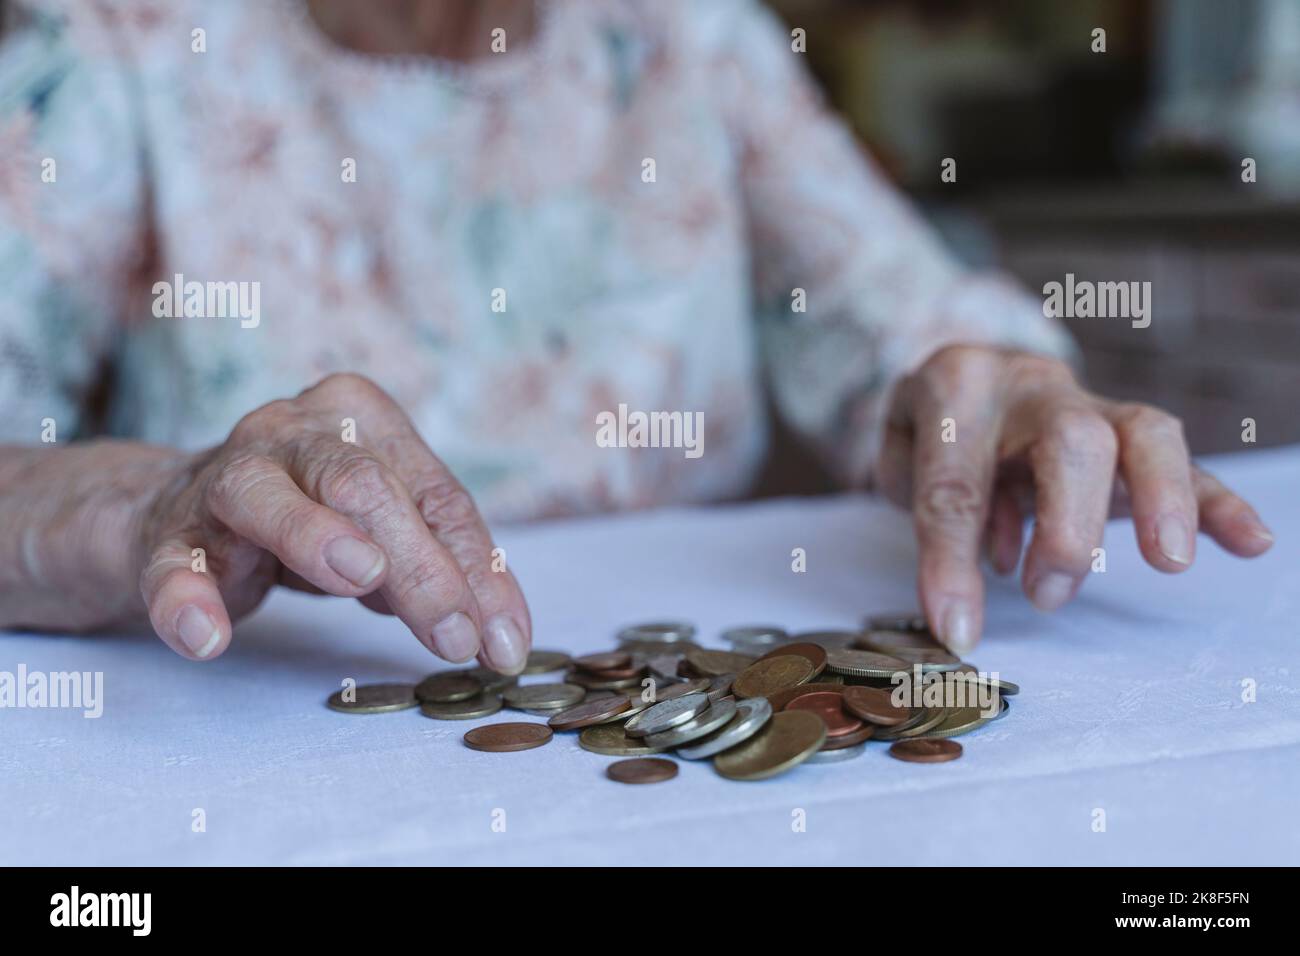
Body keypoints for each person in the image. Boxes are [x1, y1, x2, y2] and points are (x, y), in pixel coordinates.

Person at [0, 0, 1273, 676]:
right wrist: (147, 501)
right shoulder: (120, 45)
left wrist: (1001, 394)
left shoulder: (685, 32)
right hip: (272, 746)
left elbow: (901, 312)